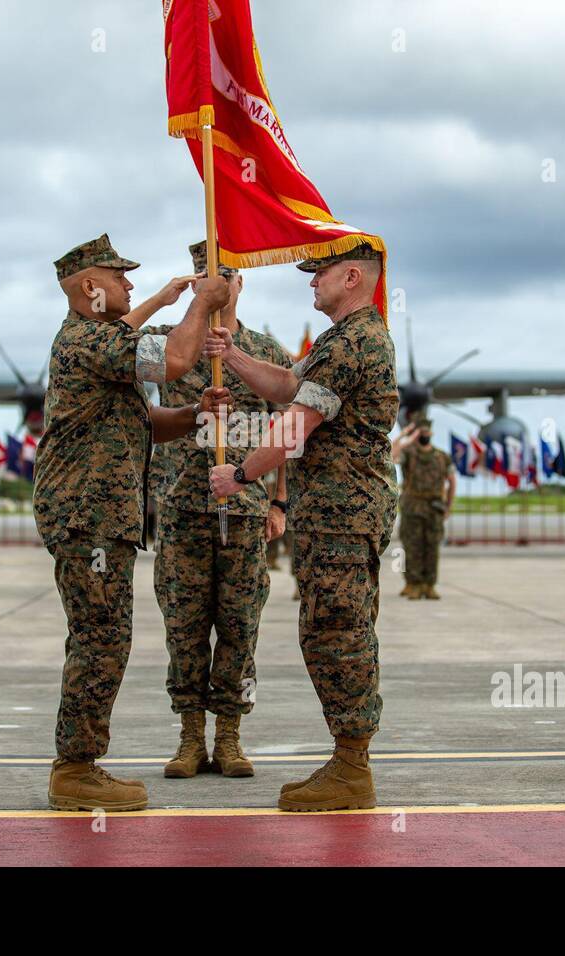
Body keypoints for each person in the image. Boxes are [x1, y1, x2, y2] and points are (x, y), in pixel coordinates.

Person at [33, 233, 230, 812]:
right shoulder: (89, 340)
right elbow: (174, 361)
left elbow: (148, 423)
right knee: (100, 639)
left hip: (101, 517)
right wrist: (200, 303)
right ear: (91, 288)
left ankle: (79, 763)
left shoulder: (101, 343)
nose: (131, 285)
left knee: (104, 637)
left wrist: (194, 415)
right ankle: (75, 769)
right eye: (120, 278)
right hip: (86, 515)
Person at [207, 241, 398, 811]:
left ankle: (351, 765)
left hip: (343, 515)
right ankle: (347, 758)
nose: (312, 282)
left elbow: (294, 426)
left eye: (320, 274)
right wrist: (234, 356)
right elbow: (290, 386)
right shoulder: (343, 342)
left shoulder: (355, 341)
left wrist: (239, 473)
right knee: (328, 629)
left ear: (353, 276)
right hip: (334, 515)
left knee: (338, 633)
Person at [143, 240, 294, 779]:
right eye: (207, 274)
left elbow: (289, 431)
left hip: (247, 511)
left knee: (240, 625)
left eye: (227, 274)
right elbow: (135, 390)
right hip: (182, 508)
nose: (220, 283)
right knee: (183, 625)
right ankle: (190, 738)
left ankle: (229, 735)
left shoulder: (265, 350)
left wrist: (279, 502)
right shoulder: (171, 347)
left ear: (240, 283)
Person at [391, 415, 456, 599]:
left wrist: (448, 506)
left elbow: (452, 481)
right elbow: (392, 454)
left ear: (432, 433)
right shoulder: (409, 453)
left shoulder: (442, 457)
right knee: (411, 547)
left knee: (432, 547)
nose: (424, 435)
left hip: (434, 507)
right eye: (421, 432)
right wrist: (404, 435)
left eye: (427, 431)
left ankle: (429, 584)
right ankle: (413, 583)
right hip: (413, 506)